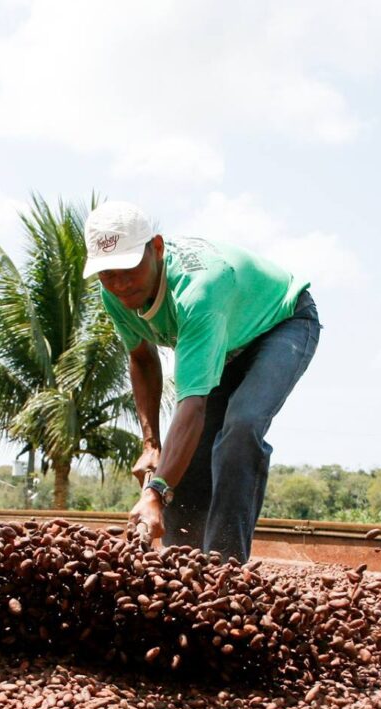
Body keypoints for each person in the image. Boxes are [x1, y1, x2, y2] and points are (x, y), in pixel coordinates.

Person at [84, 200, 320, 563]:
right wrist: (151, 445)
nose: (119, 283)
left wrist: (156, 492)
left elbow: (191, 406)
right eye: (107, 273)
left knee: (240, 429)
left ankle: (225, 571)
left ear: (157, 248)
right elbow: (142, 358)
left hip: (280, 324)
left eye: (127, 267)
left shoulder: (198, 292)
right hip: (226, 344)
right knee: (189, 456)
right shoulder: (113, 294)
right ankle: (183, 566)